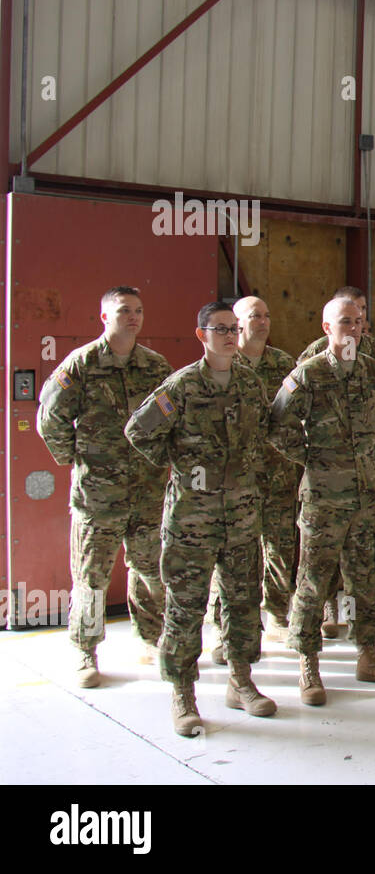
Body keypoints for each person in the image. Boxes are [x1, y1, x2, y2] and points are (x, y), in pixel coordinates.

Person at [124, 302, 276, 736]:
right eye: (220, 329)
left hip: (243, 515)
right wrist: (179, 465)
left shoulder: (250, 382)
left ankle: (241, 681)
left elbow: (262, 431)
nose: (230, 335)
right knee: (186, 606)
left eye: (234, 328)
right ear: (202, 335)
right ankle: (183, 693)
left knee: (243, 601)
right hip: (193, 518)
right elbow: (139, 431)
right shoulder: (183, 386)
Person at [269, 298, 375, 706]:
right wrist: (312, 457)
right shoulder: (308, 374)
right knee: (313, 581)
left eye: (359, 321)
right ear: (327, 327)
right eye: (345, 321)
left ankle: (367, 654)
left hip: (367, 498)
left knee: (365, 581)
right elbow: (278, 424)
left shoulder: (374, 372)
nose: (353, 328)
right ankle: (308, 661)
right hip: (324, 500)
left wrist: (371, 456)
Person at [37, 286, 173, 687]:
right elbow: (51, 418)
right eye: (124, 310)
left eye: (138, 310)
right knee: (92, 576)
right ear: (104, 317)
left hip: (147, 493)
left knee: (150, 570)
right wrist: (76, 459)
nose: (133, 317)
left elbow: (169, 416)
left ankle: (152, 639)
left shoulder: (155, 366)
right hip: (98, 497)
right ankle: (85, 651)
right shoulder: (80, 365)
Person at [231, 296, 299, 644]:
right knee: (234, 552)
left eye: (267, 315)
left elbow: (299, 415)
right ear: (238, 322)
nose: (263, 321)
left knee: (279, 547)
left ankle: (276, 613)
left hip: (278, 475)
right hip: (236, 479)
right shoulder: (224, 364)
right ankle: (232, 624)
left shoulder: (284, 364)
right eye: (255, 315)